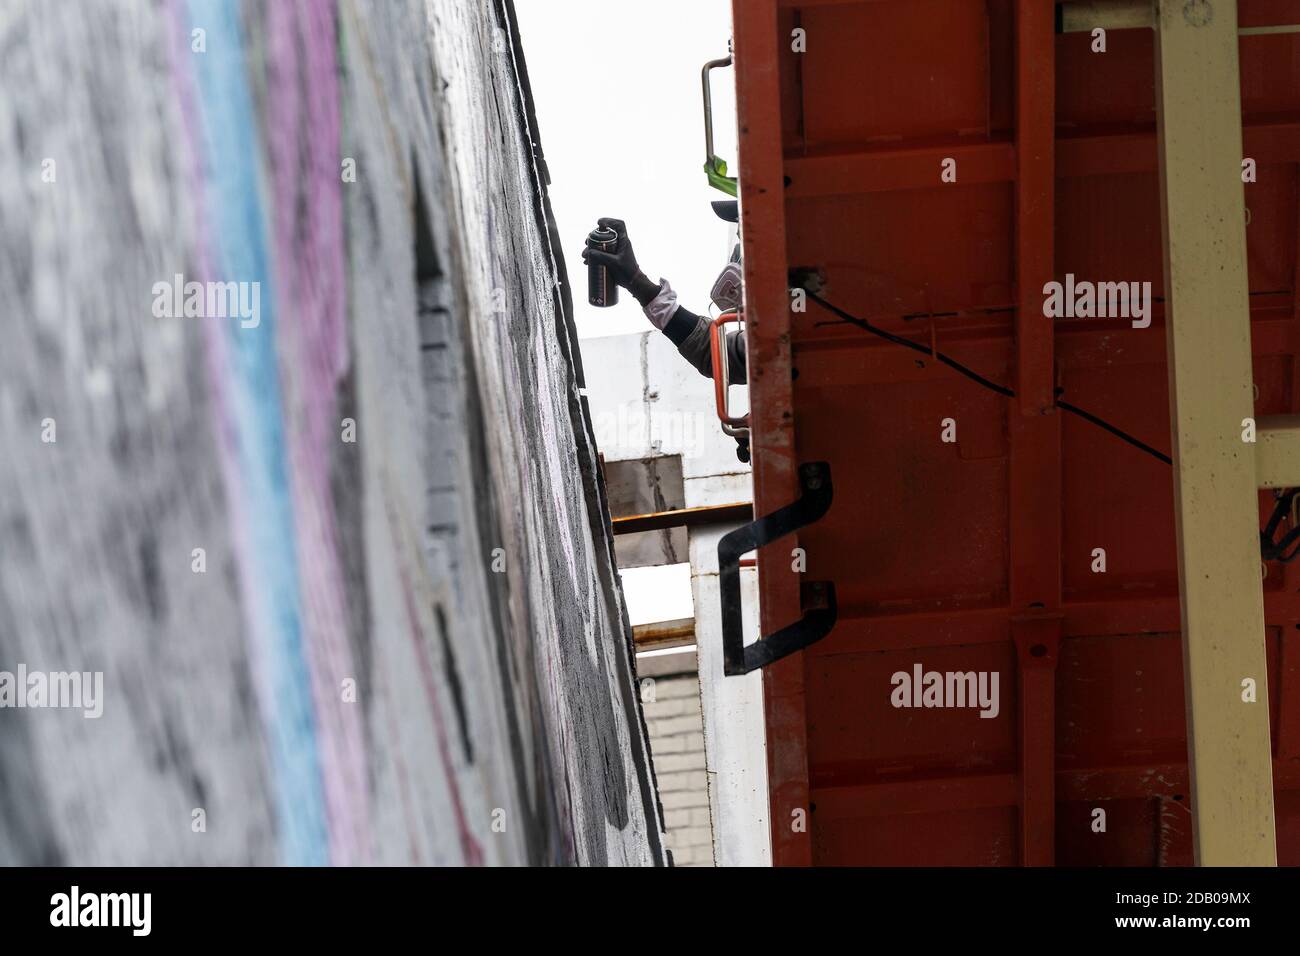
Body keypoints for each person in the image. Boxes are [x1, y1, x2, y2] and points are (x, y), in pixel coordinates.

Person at [580, 209, 747, 385]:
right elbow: (716, 354)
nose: (738, 256)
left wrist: (636, 281)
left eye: (748, 240)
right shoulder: (768, 340)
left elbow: (717, 357)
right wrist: (636, 281)